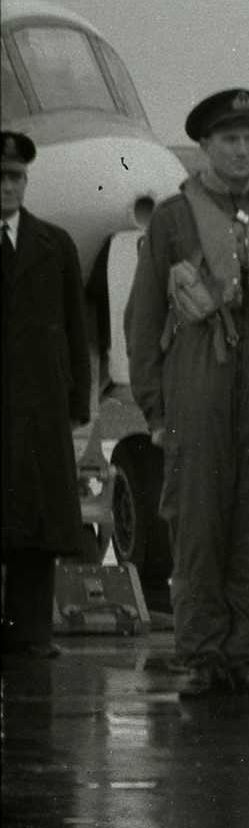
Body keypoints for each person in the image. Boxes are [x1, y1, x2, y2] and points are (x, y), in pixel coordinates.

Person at [126, 89, 249, 700]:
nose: (242, 150)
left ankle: (245, 657)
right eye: (230, 139)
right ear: (205, 146)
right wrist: (154, 405)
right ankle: (203, 657)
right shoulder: (175, 219)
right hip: (199, 371)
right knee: (198, 517)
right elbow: (144, 313)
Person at [0, 131, 92, 660]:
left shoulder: (54, 245)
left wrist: (77, 400)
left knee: (34, 524)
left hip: (38, 407)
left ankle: (31, 633)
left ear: (26, 182)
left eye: (14, 177)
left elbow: (75, 332)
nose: (7, 187)